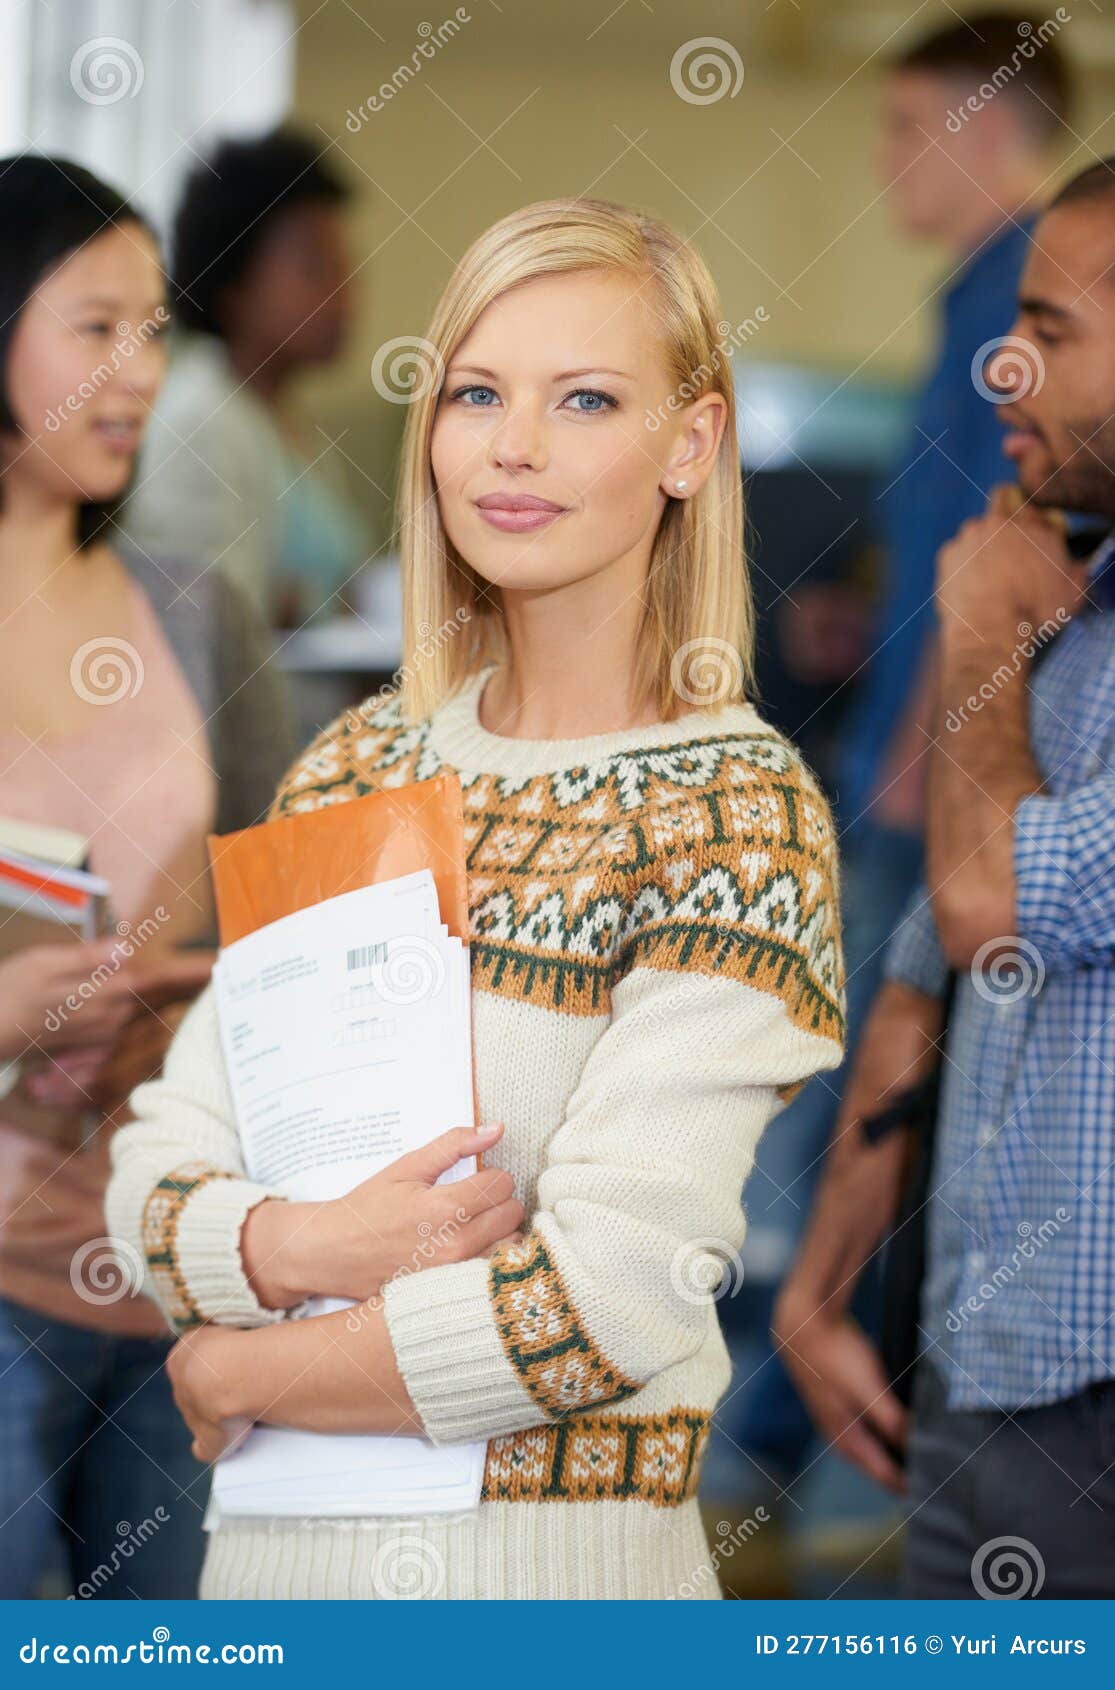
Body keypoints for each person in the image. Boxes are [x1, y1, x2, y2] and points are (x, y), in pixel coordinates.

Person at [107, 196, 847, 1601]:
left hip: (547, 1592)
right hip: (269, 1585)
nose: (510, 446)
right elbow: (156, 1175)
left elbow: (602, 1301)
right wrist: (305, 1243)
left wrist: (236, 1354)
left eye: (583, 398)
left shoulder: (731, 814)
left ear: (688, 443)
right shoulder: (356, 767)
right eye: (473, 393)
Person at [724, 9, 1073, 1490]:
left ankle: (763, 1454)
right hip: (913, 747)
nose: (880, 161)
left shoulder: (1023, 284)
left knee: (864, 1106)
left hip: (935, 784)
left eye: (899, 125)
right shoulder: (974, 299)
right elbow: (941, 534)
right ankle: (780, 1443)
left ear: (985, 128)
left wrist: (921, 750)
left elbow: (1004, 543)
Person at [775, 156, 1115, 1599]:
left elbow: (994, 901)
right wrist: (819, 1276)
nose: (1003, 369)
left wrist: (973, 639)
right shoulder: (1071, 590)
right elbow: (928, 956)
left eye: (1049, 330)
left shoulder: (1014, 604)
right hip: (982, 1356)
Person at [0, 155, 294, 1598]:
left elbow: (286, 903)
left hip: (168, 1255)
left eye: (154, 331)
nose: (138, 374)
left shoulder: (193, 611)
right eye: (92, 326)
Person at [123, 129, 369, 628]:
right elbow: (206, 640)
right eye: (314, 265)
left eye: (349, 266)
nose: (344, 291)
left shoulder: (283, 415)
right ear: (233, 279)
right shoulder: (199, 422)